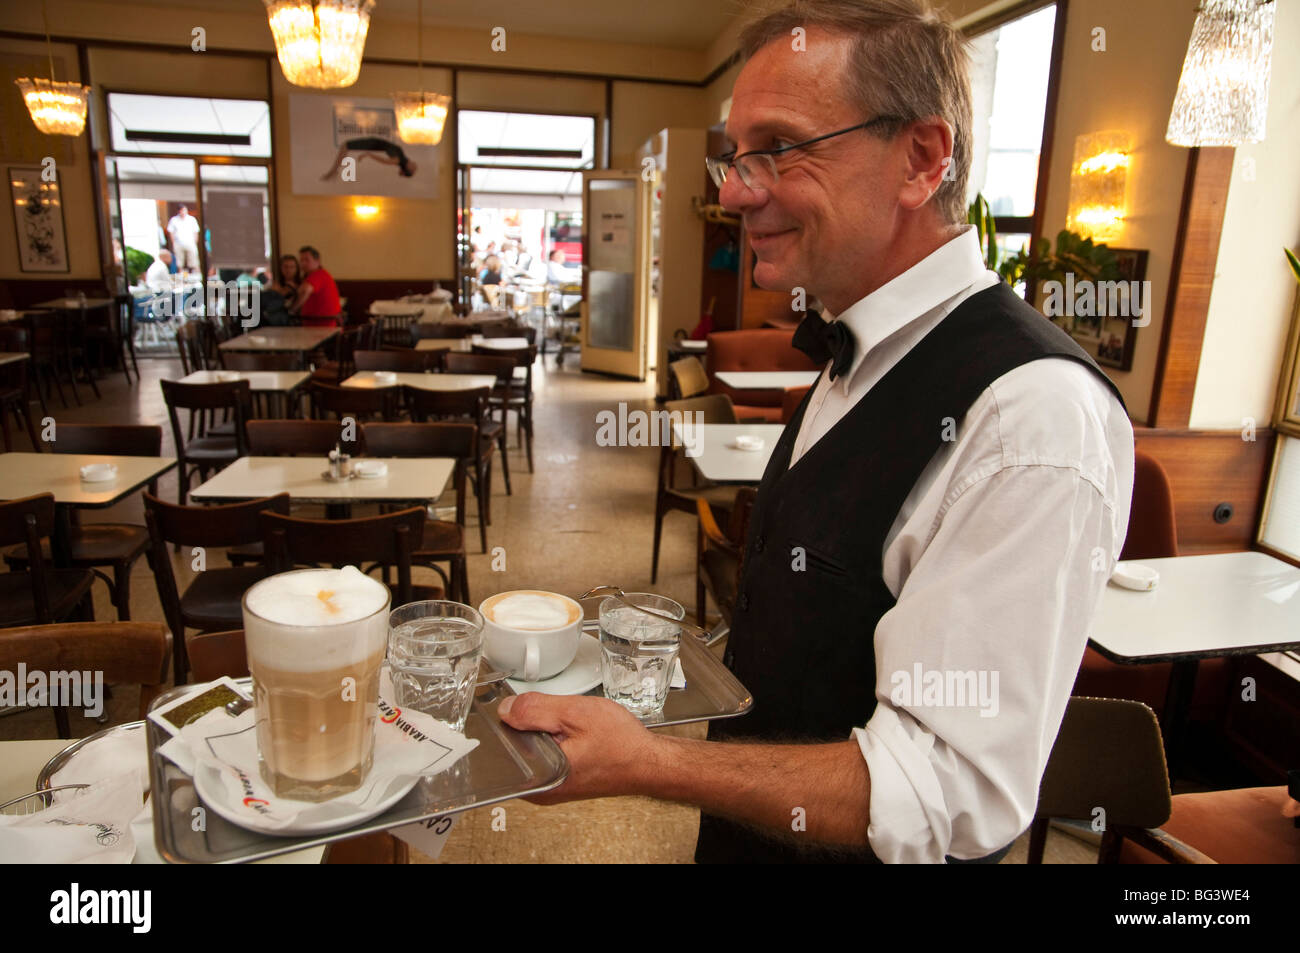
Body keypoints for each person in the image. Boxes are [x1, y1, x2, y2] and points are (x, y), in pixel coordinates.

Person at [496, 0, 1134, 864]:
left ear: (920, 158)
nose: (730, 190)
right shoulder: (853, 348)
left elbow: (944, 790)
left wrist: (648, 761)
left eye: (778, 148)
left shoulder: (1033, 415)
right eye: (734, 154)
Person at [320, 137, 418, 181]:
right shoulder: (401, 157)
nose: (414, 165)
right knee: (345, 146)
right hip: (375, 143)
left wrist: (369, 155)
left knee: (345, 146)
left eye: (413, 168)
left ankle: (333, 171)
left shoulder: (398, 160)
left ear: (407, 168)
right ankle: (334, 171)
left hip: (374, 144)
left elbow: (383, 161)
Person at [291, 246, 341, 328]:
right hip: (319, 324)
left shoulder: (318, 274)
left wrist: (292, 310)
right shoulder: (318, 274)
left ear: (317, 261)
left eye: (307, 260)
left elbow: (305, 291)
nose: (303, 263)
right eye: (301, 260)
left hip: (321, 327)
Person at [166, 205, 201, 272]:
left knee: (194, 260)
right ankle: (181, 275)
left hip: (190, 242)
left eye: (184, 210)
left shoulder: (191, 219)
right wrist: (174, 242)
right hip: (178, 243)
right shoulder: (174, 220)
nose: (183, 212)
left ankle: (197, 274)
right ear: (179, 211)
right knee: (179, 262)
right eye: (181, 210)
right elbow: (171, 232)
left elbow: (195, 231)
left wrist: (195, 241)